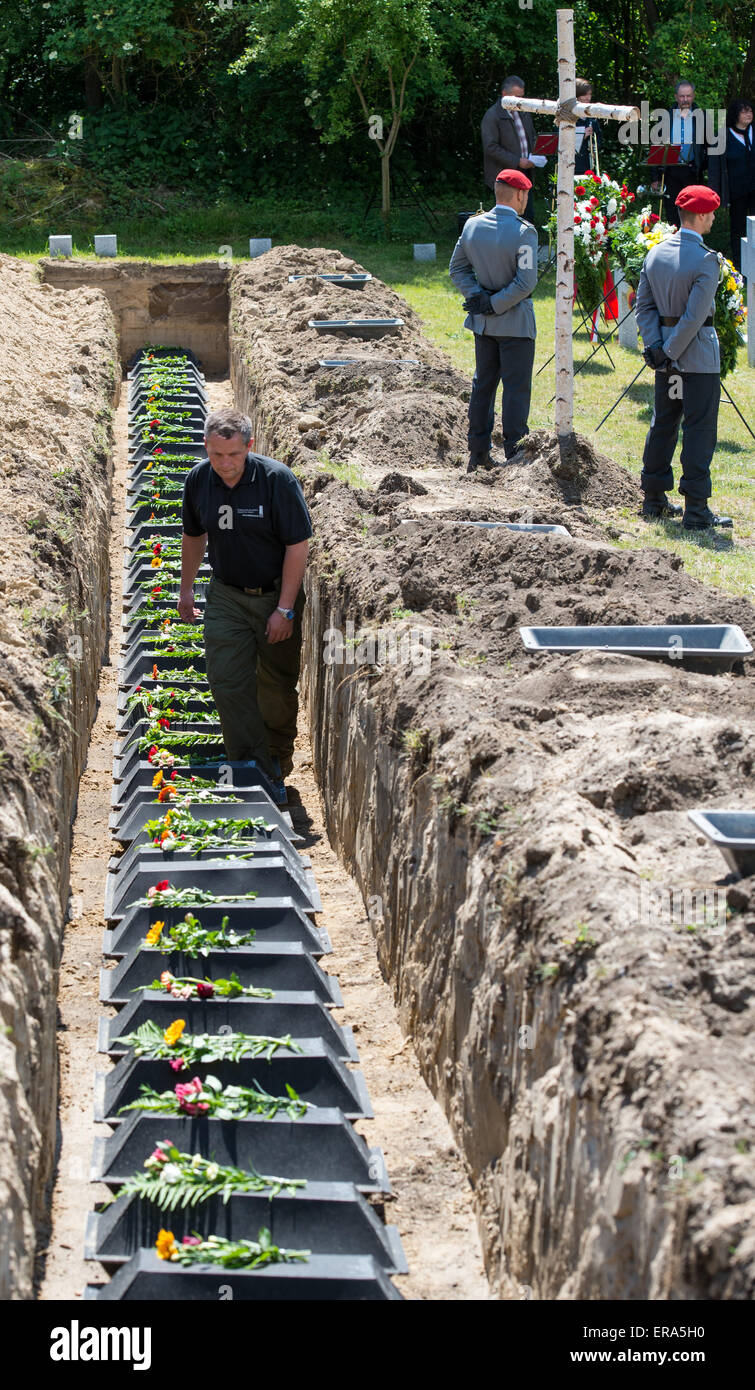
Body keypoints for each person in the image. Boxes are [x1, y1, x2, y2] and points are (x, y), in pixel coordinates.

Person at [178, 407, 313, 794]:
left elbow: (297, 546)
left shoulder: (277, 481)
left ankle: (277, 757)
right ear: (205, 447)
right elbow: (193, 535)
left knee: (275, 687)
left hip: (274, 594)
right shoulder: (199, 480)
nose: (224, 464)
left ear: (249, 447)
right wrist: (186, 589)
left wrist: (284, 609)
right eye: (216, 455)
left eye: (233, 455)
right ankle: (250, 765)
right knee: (227, 681)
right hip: (226, 595)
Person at [635, 184, 733, 531]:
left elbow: (643, 306)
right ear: (703, 215)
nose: (713, 218)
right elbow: (694, 317)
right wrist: (672, 351)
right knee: (698, 429)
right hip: (697, 360)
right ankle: (695, 511)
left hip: (666, 359)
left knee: (663, 424)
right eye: (712, 213)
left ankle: (654, 500)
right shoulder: (707, 260)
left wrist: (657, 349)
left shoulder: (655, 253)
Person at [449, 168, 538, 471]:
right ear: (519, 195)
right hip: (514, 323)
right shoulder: (524, 232)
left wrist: (479, 298)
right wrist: (495, 303)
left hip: (484, 324)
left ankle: (477, 452)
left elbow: (457, 269)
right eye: (526, 195)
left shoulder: (472, 226)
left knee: (483, 386)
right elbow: (526, 283)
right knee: (515, 389)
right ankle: (515, 454)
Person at [481, 75, 539, 222]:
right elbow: (490, 147)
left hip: (526, 172)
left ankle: (525, 244)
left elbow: (531, 136)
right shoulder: (492, 115)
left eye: (522, 97)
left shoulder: (523, 112)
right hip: (504, 176)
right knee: (507, 219)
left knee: (527, 216)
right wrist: (517, 161)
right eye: (516, 97)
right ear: (504, 95)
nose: (520, 101)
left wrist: (535, 155)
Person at [652, 81, 707, 228]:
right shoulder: (665, 117)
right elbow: (656, 147)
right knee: (672, 210)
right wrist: (655, 176)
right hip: (670, 171)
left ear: (693, 96)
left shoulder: (701, 117)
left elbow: (707, 147)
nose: (685, 99)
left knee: (692, 210)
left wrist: (703, 167)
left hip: (692, 171)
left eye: (688, 96)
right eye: (682, 96)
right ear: (676, 97)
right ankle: (673, 243)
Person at [708, 99, 755, 269]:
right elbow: (714, 168)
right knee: (738, 230)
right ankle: (741, 267)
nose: (748, 114)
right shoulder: (721, 136)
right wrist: (714, 193)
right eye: (744, 111)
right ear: (735, 115)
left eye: (750, 111)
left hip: (754, 190)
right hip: (736, 192)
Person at [574, 78, 602, 177]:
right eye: (584, 95)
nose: (588, 98)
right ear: (576, 95)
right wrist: (582, 135)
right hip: (574, 166)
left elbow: (598, 137)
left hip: (588, 164)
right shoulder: (569, 117)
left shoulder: (591, 117)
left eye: (589, 94)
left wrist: (595, 148)